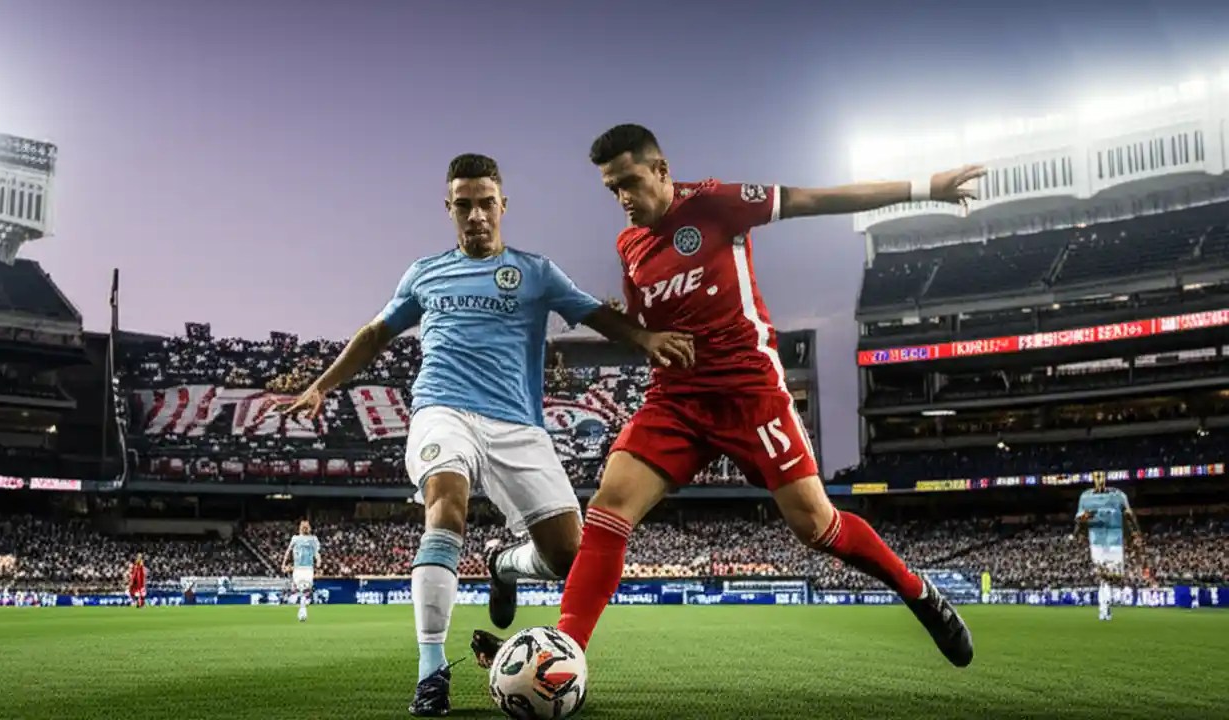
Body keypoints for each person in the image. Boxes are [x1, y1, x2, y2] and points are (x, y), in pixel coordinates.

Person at [474, 124, 983, 671]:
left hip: (749, 394)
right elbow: (650, 322)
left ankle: (918, 592)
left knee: (818, 527)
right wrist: (628, 324)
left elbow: (815, 200)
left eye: (630, 182)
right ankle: (564, 653)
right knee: (607, 510)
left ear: (662, 171)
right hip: (677, 401)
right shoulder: (631, 246)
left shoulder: (716, 204)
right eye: (611, 189)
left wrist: (923, 186)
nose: (622, 198)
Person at [276, 153, 693, 717]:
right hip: (443, 412)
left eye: (485, 203)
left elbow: (595, 314)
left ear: (503, 206)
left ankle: (503, 565)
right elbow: (376, 334)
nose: (476, 215)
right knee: (446, 508)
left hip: (519, 426)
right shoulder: (424, 273)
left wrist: (645, 340)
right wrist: (323, 385)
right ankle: (430, 673)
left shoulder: (536, 271)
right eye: (464, 205)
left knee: (572, 555)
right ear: (449, 209)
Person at [1075, 476, 1142, 621]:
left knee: (1110, 578)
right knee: (1103, 578)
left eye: (1101, 476)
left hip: (1115, 540)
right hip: (1097, 541)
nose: (1099, 479)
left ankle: (1105, 608)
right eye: (1096, 476)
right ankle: (1104, 609)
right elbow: (1079, 519)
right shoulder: (1085, 496)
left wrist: (1136, 533)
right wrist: (1084, 520)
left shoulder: (1118, 495)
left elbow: (1129, 514)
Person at [282, 520, 321, 621]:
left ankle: (302, 609)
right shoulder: (295, 538)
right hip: (298, 568)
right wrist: (284, 563)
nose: (305, 528)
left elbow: (316, 552)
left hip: (308, 568)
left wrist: (318, 560)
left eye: (306, 526)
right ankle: (301, 606)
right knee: (300, 588)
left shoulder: (313, 539)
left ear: (309, 528)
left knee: (306, 589)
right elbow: (288, 550)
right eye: (303, 526)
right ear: (300, 528)